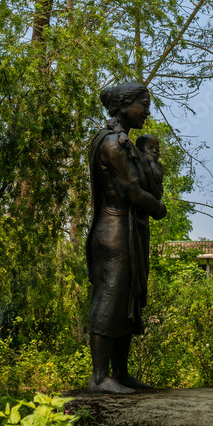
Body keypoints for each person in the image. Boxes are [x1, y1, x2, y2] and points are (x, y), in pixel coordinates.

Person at [86, 82, 167, 394]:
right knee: (111, 295)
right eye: (142, 105)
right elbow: (132, 191)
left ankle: (120, 372)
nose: (146, 112)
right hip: (113, 228)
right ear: (123, 106)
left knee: (128, 298)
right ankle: (99, 377)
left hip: (129, 229)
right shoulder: (112, 144)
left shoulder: (127, 142)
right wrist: (158, 207)